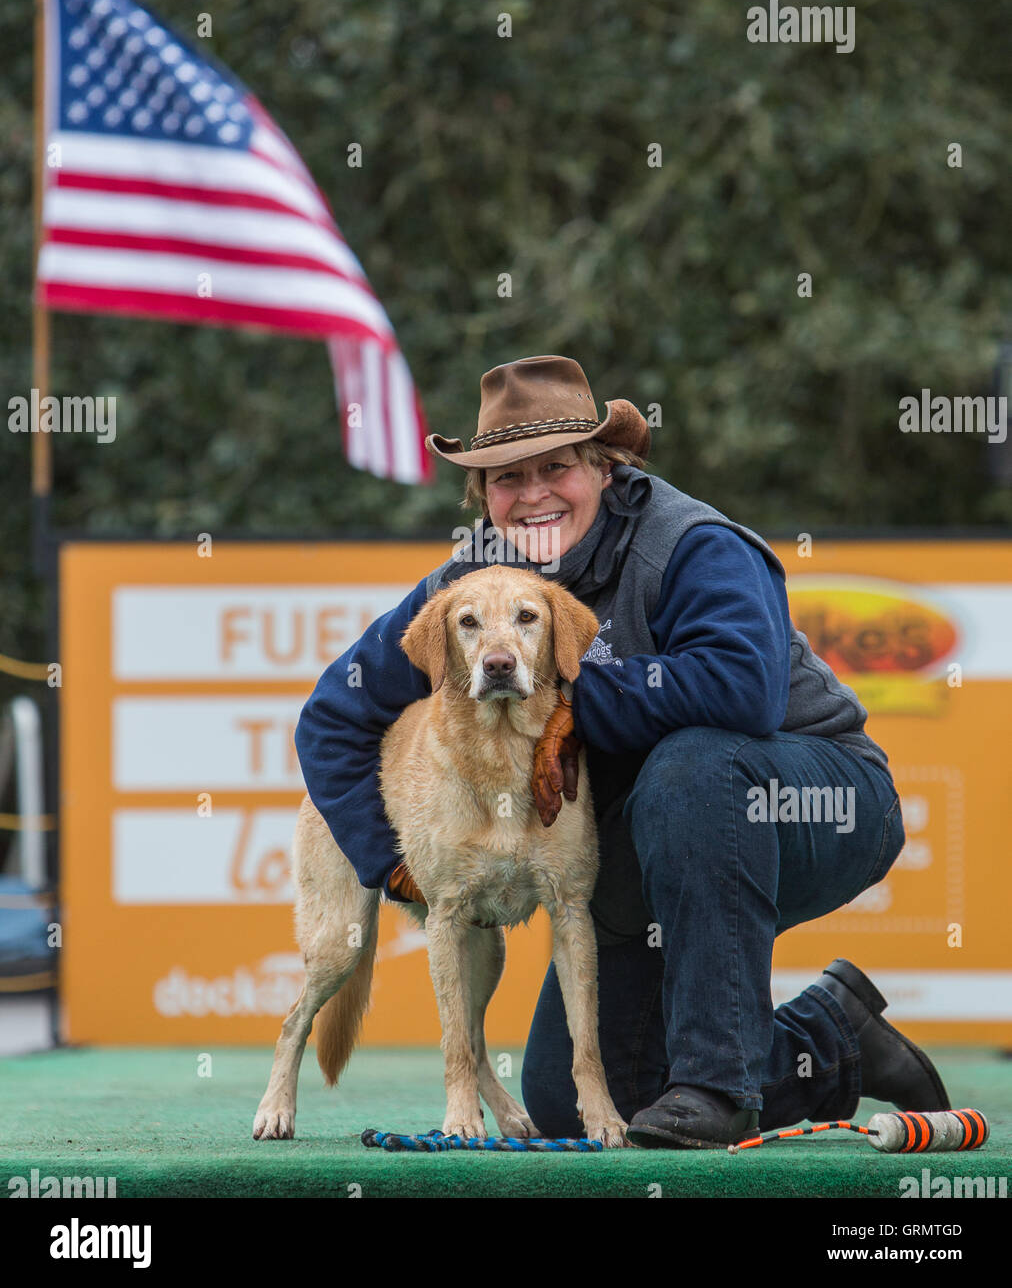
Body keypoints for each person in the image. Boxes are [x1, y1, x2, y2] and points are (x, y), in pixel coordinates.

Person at [295, 354, 949, 1149]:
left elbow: (743, 692)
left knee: (694, 764)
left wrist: (569, 706)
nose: (531, 492)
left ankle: (715, 1086)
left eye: (556, 467)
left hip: (821, 802)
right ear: (483, 498)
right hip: (651, 841)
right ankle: (831, 1044)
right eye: (506, 477)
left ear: (605, 468)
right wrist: (390, 864)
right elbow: (333, 716)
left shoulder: (694, 544)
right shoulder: (473, 587)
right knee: (574, 1102)